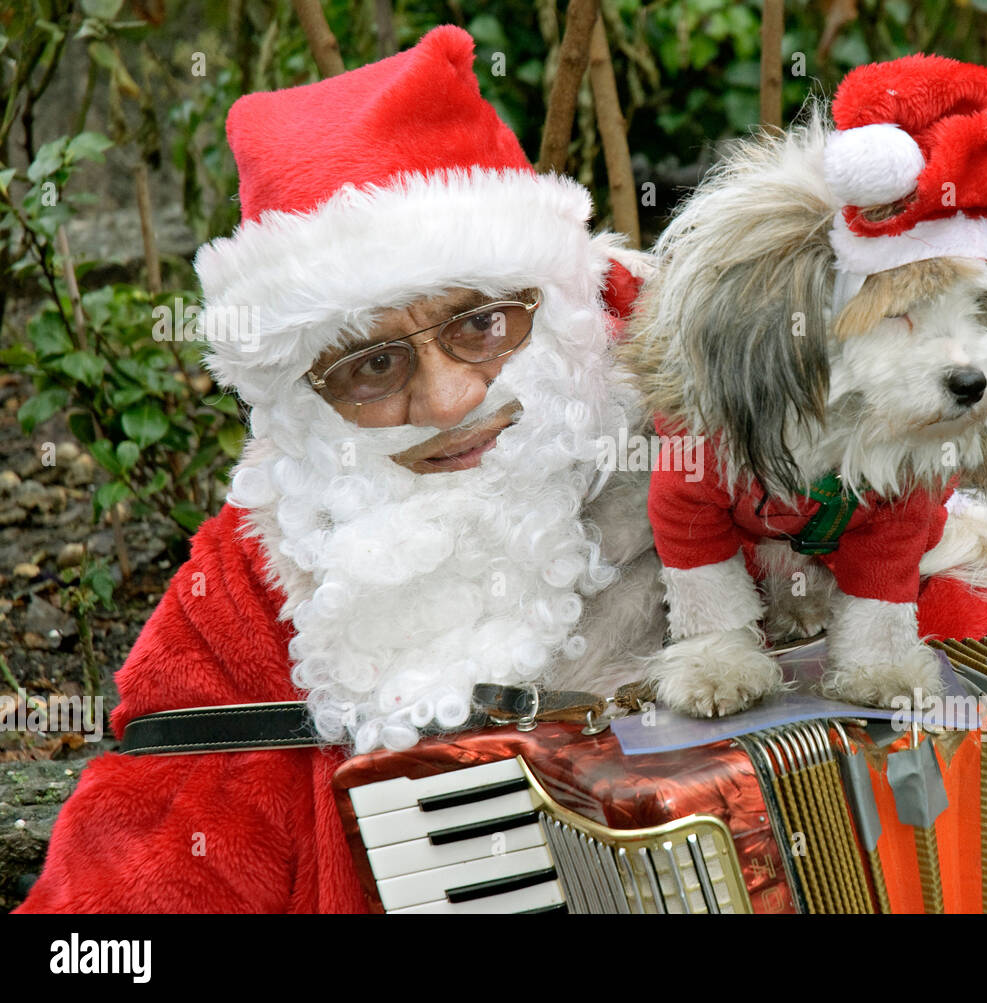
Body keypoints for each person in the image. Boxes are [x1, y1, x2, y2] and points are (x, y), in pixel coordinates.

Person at [15, 25, 664, 913]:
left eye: (480, 324)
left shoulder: (740, 437)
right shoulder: (249, 591)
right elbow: (109, 911)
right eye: (372, 366)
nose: (447, 402)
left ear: (555, 302)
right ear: (304, 398)